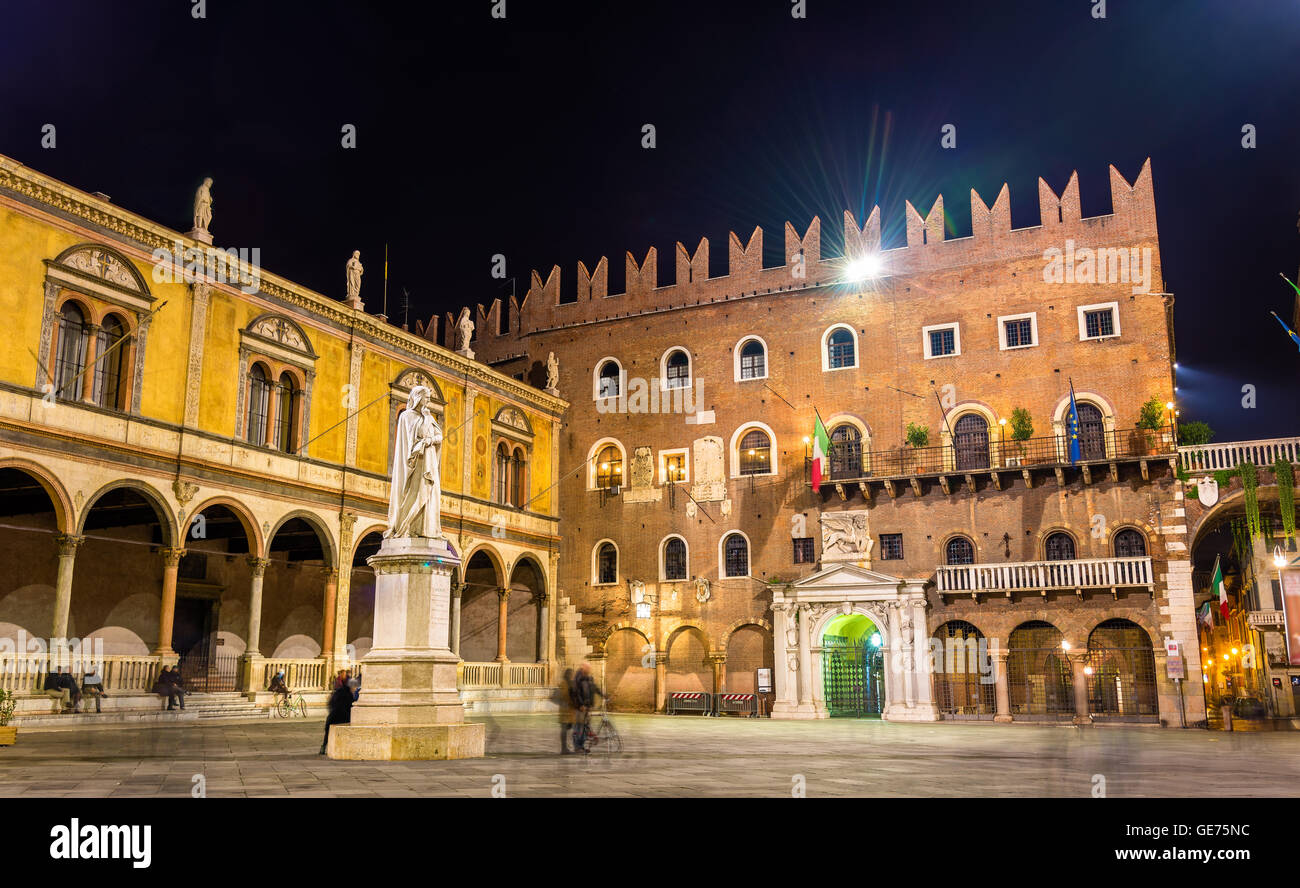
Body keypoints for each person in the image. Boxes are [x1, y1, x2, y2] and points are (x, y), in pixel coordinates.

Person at [570, 661, 606, 753]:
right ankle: (577, 747)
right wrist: (580, 704)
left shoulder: (589, 678)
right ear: (583, 668)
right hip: (579, 707)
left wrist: (604, 695)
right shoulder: (577, 679)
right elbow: (575, 693)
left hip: (587, 707)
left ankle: (581, 746)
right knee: (578, 728)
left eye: (589, 668)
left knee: (585, 728)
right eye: (588, 668)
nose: (589, 670)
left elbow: (595, 688)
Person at [321, 674, 355, 755]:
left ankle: (323, 747)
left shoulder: (336, 693)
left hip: (333, 716)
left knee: (328, 734)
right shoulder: (348, 694)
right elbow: (350, 706)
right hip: (343, 717)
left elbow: (331, 703)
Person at [557, 668, 577, 754]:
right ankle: (564, 748)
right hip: (566, 711)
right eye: (571, 674)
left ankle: (566, 747)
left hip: (569, 712)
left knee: (569, 728)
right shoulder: (565, 684)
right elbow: (565, 696)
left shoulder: (569, 683)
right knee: (565, 729)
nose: (573, 676)